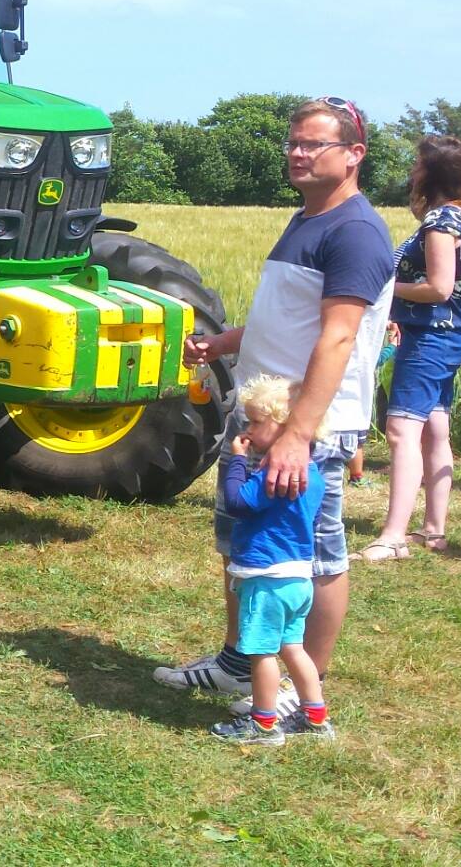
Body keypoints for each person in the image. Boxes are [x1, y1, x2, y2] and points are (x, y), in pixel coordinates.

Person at [158, 97, 393, 731]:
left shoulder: (355, 232)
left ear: (353, 154)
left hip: (304, 429)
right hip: (263, 421)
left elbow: (339, 339)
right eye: (293, 142)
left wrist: (297, 436)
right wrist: (227, 341)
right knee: (245, 544)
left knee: (313, 557)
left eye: (314, 144)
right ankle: (243, 661)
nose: (297, 152)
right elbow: (288, 317)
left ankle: (299, 684)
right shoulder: (306, 220)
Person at [364, 135, 461, 560]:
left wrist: (383, 291)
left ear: (433, 172)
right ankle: (433, 530)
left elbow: (438, 288)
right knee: (435, 429)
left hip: (429, 338)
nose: (412, 171)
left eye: (418, 164)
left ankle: (393, 536)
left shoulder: (442, 221)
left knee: (402, 431)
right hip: (452, 337)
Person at [209, 375, 336, 746]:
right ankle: (314, 716)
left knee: (261, 650)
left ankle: (263, 724)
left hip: (267, 576)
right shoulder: (312, 474)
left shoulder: (273, 473)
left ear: (283, 426)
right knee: (293, 648)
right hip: (298, 578)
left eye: (255, 422)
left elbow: (239, 502)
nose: (248, 429)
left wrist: (236, 461)